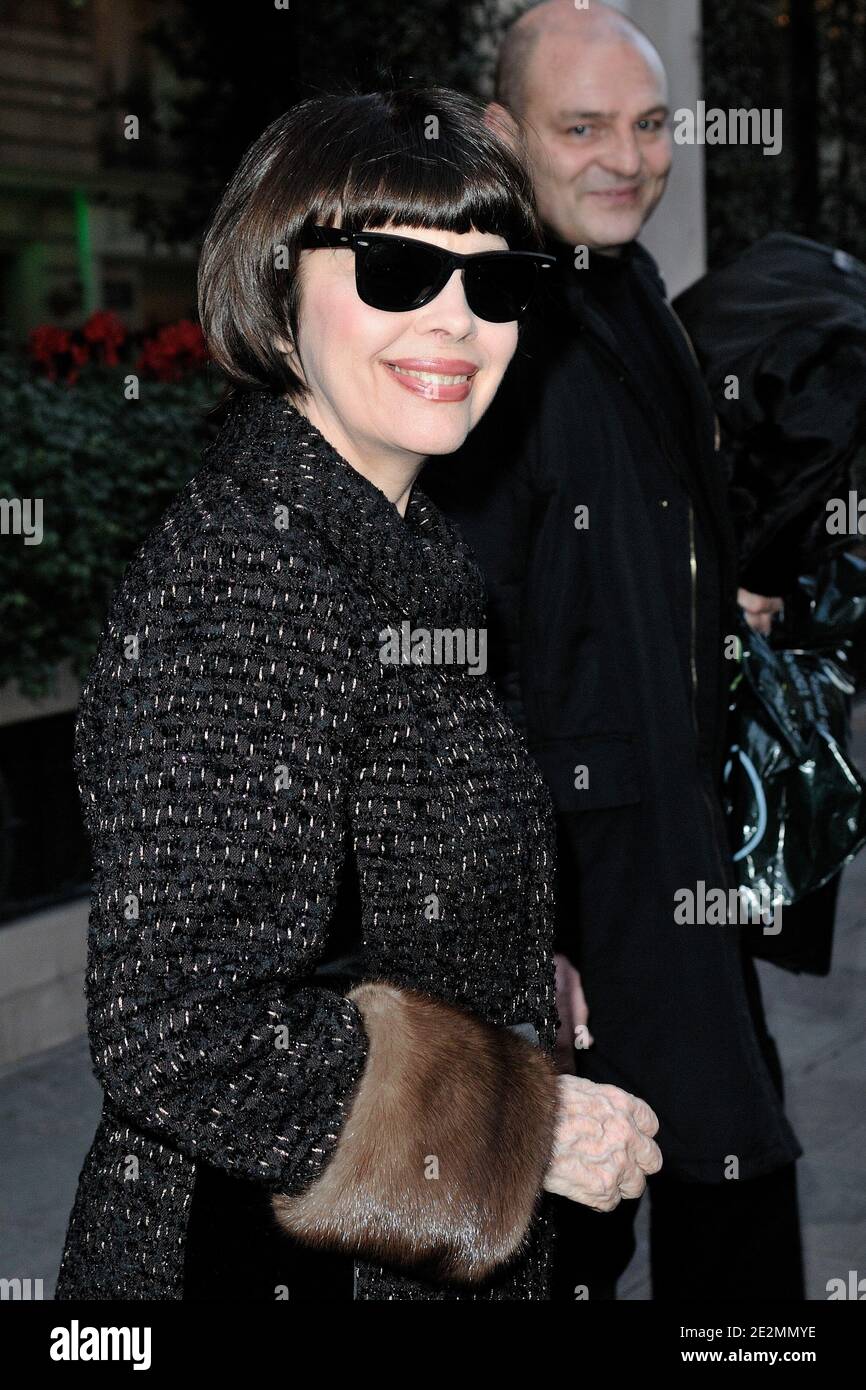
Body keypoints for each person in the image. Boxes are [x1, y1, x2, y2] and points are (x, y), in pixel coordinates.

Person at [53, 86, 662, 1303]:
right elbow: (181, 1030)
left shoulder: (392, 542)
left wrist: (499, 958)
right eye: (392, 272)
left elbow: (346, 877)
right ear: (278, 295)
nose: (452, 322)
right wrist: (521, 1130)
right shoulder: (249, 581)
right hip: (264, 1253)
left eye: (493, 286)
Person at [423, 3, 805, 1301]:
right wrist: (517, 924)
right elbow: (460, 644)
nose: (626, 157)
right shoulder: (488, 324)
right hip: (577, 862)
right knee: (675, 1183)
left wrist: (700, 612)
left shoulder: (623, 291)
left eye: (648, 126)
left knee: (632, 1185)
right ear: (502, 134)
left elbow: (597, 554)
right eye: (580, 126)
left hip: (660, 826)